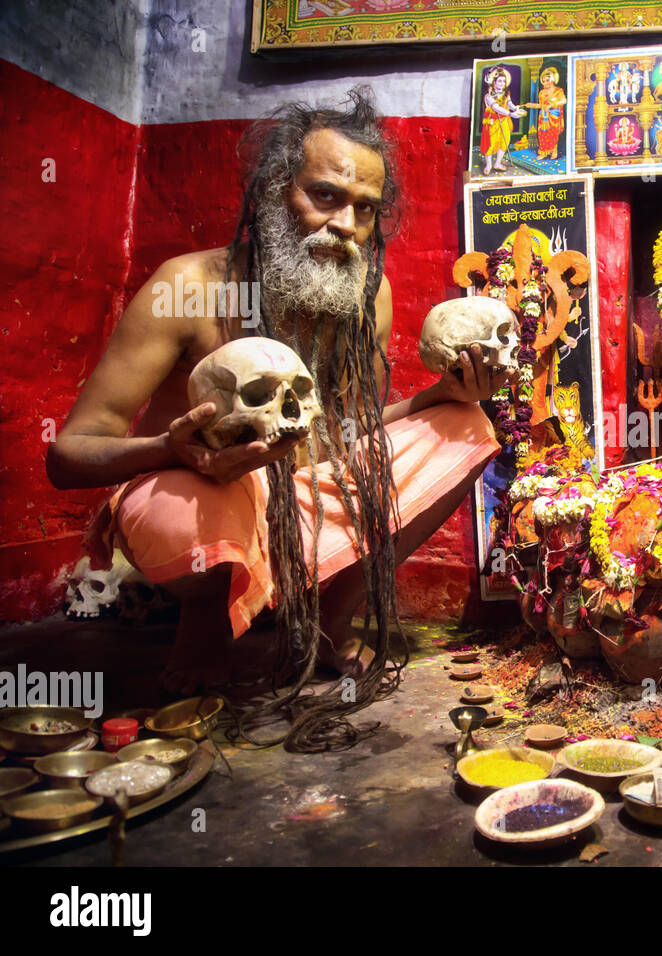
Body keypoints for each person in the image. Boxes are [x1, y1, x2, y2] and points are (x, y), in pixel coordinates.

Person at [46, 90, 505, 728]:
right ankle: (204, 626)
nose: (344, 223)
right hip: (188, 508)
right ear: (272, 192)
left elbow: (353, 441)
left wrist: (442, 397)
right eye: (325, 195)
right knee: (203, 487)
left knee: (465, 427)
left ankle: (327, 622)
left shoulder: (367, 299)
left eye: (364, 209)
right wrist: (172, 452)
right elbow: (67, 455)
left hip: (303, 504)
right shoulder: (188, 287)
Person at [480, 67, 525, 174]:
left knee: (505, 141)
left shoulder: (506, 93)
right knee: (491, 143)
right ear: (494, 82)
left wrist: (515, 109)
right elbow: (496, 108)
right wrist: (510, 113)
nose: (502, 83)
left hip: (504, 121)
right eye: (499, 81)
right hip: (492, 122)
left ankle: (497, 163)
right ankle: (489, 164)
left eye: (504, 81)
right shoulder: (488, 95)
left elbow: (509, 103)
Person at [521, 67, 566, 161]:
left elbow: (564, 100)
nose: (546, 83)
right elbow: (541, 105)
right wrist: (532, 105)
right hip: (543, 117)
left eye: (548, 80)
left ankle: (554, 151)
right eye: (544, 81)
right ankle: (543, 153)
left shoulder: (558, 91)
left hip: (554, 116)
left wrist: (552, 105)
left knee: (553, 134)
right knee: (542, 134)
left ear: (553, 79)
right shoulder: (541, 92)